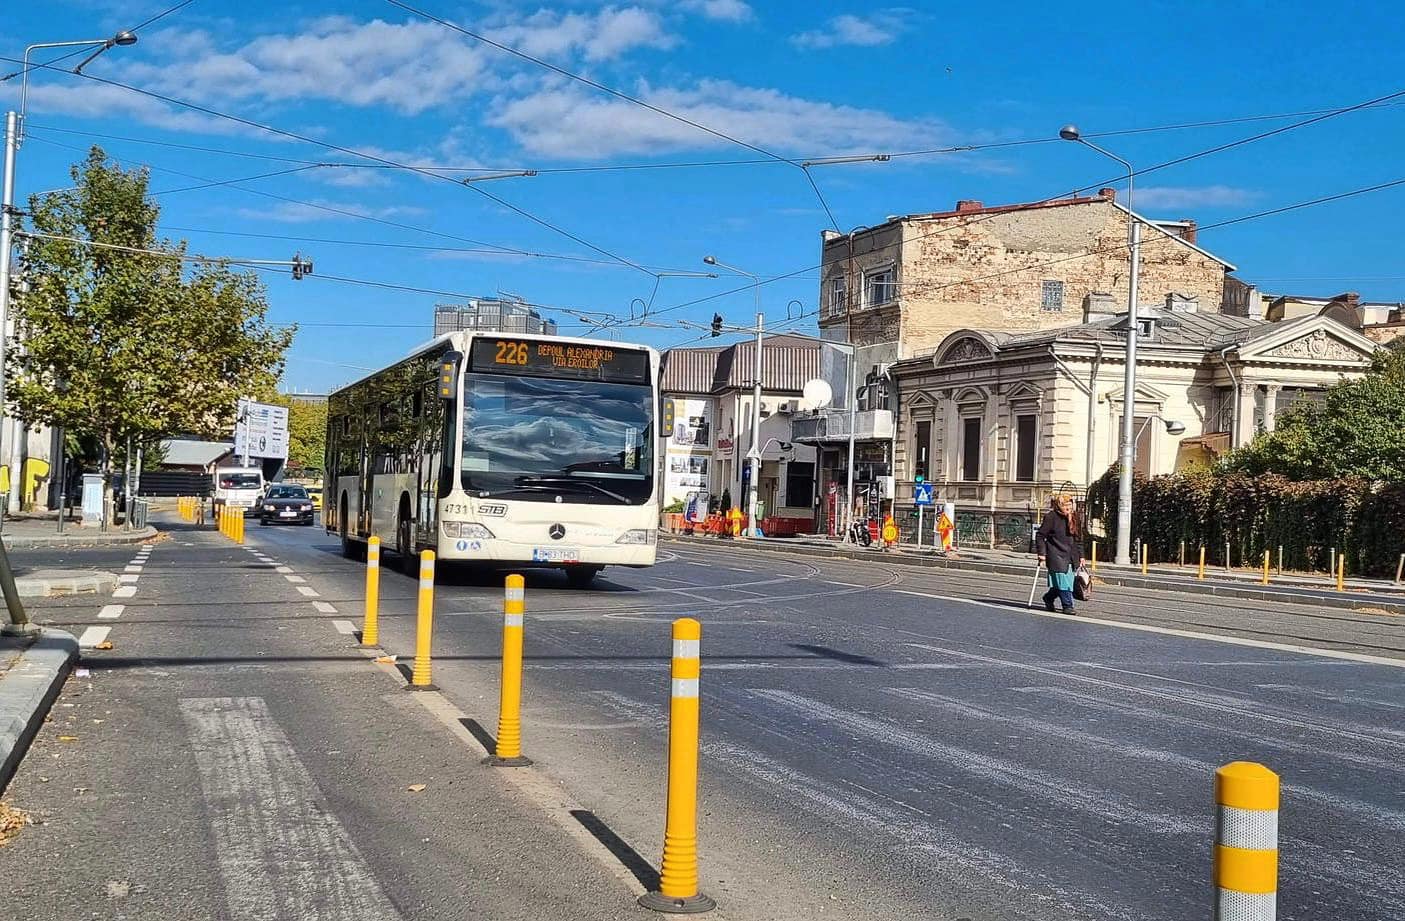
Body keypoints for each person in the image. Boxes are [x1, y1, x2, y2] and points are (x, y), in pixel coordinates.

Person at [1036, 495, 1082, 614]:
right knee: (1064, 581)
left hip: (1071, 555)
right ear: (1059, 506)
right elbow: (1040, 535)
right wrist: (1042, 553)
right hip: (1056, 554)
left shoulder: (1075, 517)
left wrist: (1081, 555)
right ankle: (1068, 606)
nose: (1068, 508)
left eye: (1070, 505)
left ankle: (1048, 598)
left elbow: (1079, 538)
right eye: (1065, 505)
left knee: (1064, 582)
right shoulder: (1051, 517)